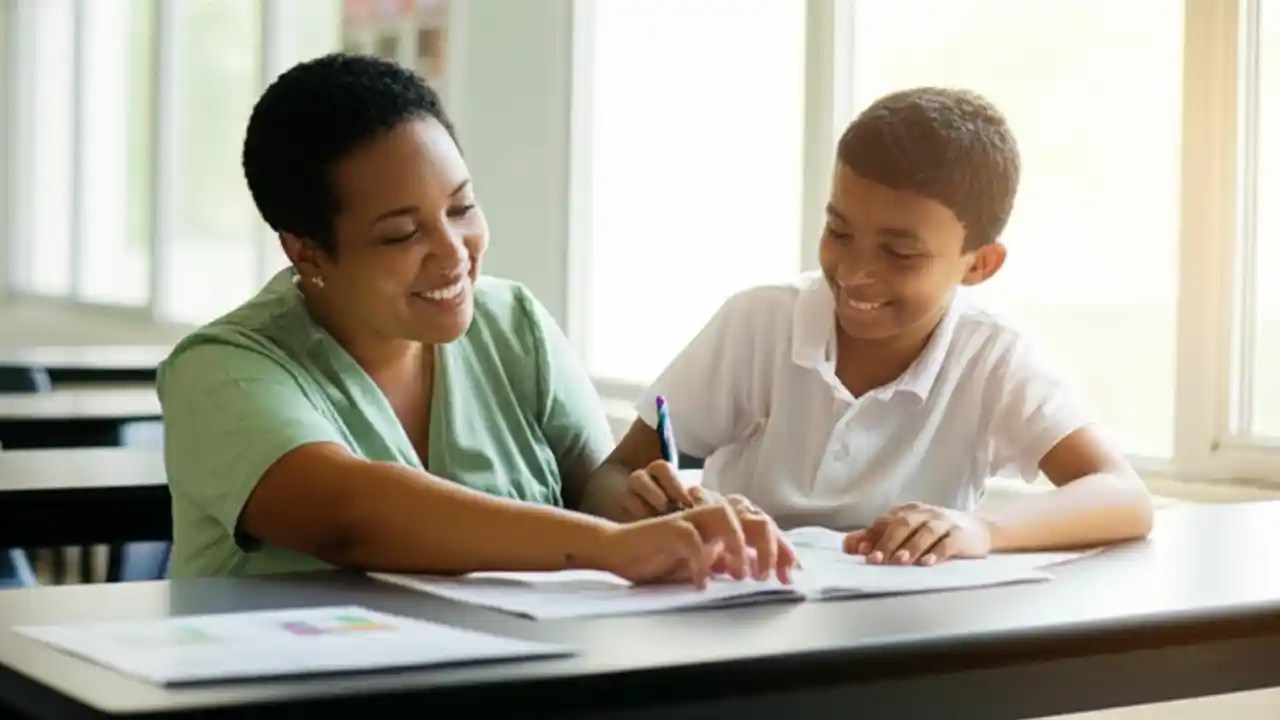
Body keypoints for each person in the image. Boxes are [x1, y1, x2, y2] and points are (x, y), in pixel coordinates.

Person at [156, 52, 795, 586]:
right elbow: (350, 516)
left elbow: (591, 485)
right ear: (308, 250)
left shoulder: (512, 322)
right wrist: (605, 547)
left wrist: (653, 513)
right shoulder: (220, 370)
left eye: (461, 208)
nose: (453, 252)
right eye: (402, 234)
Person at [600, 87, 1154, 566]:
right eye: (839, 233)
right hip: (741, 614)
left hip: (901, 639)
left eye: (898, 253)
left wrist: (985, 531)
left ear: (978, 264)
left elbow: (1125, 497)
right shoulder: (759, 322)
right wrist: (648, 511)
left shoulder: (991, 357)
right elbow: (610, 477)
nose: (856, 274)